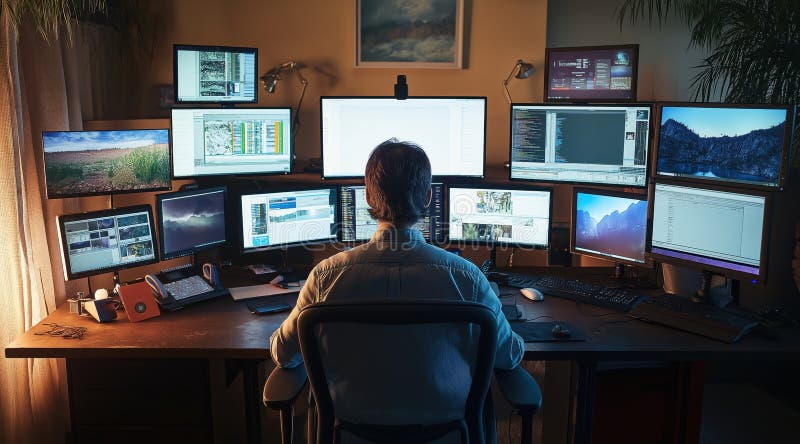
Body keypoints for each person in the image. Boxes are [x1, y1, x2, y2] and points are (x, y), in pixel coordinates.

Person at [269, 140, 524, 430]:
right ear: (428, 197)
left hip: (350, 433)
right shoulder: (468, 278)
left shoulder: (324, 277)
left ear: (367, 197)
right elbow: (510, 356)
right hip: (447, 434)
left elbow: (283, 354)